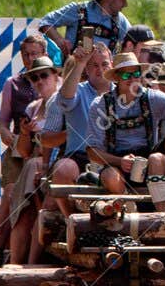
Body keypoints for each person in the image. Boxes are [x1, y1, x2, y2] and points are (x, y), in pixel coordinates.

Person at [86, 53, 165, 205]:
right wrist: (120, 161)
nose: (132, 79)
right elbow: (92, 151)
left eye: (136, 74)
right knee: (110, 177)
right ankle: (128, 204)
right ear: (116, 78)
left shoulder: (153, 98)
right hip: (116, 163)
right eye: (126, 75)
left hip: (151, 162)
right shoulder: (100, 105)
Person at [0, 47, 59, 265]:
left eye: (44, 75)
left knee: (25, 202)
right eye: (34, 77)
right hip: (31, 162)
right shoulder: (31, 106)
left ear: (55, 75)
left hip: (55, 164)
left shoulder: (64, 102)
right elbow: (24, 149)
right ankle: (8, 261)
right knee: (18, 207)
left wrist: (46, 163)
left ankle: (25, 264)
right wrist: (24, 132)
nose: (39, 80)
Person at [39, 40, 114, 215]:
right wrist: (79, 62)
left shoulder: (121, 93)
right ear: (86, 70)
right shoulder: (78, 90)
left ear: (112, 65)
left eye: (104, 64)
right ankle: (72, 219)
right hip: (79, 158)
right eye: (93, 65)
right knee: (63, 169)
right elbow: (65, 99)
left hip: (111, 158)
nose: (100, 69)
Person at [38, 0, 133, 56]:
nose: (126, 4)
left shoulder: (121, 20)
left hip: (103, 76)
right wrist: (59, 41)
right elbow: (46, 21)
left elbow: (135, 41)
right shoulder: (79, 10)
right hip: (73, 73)